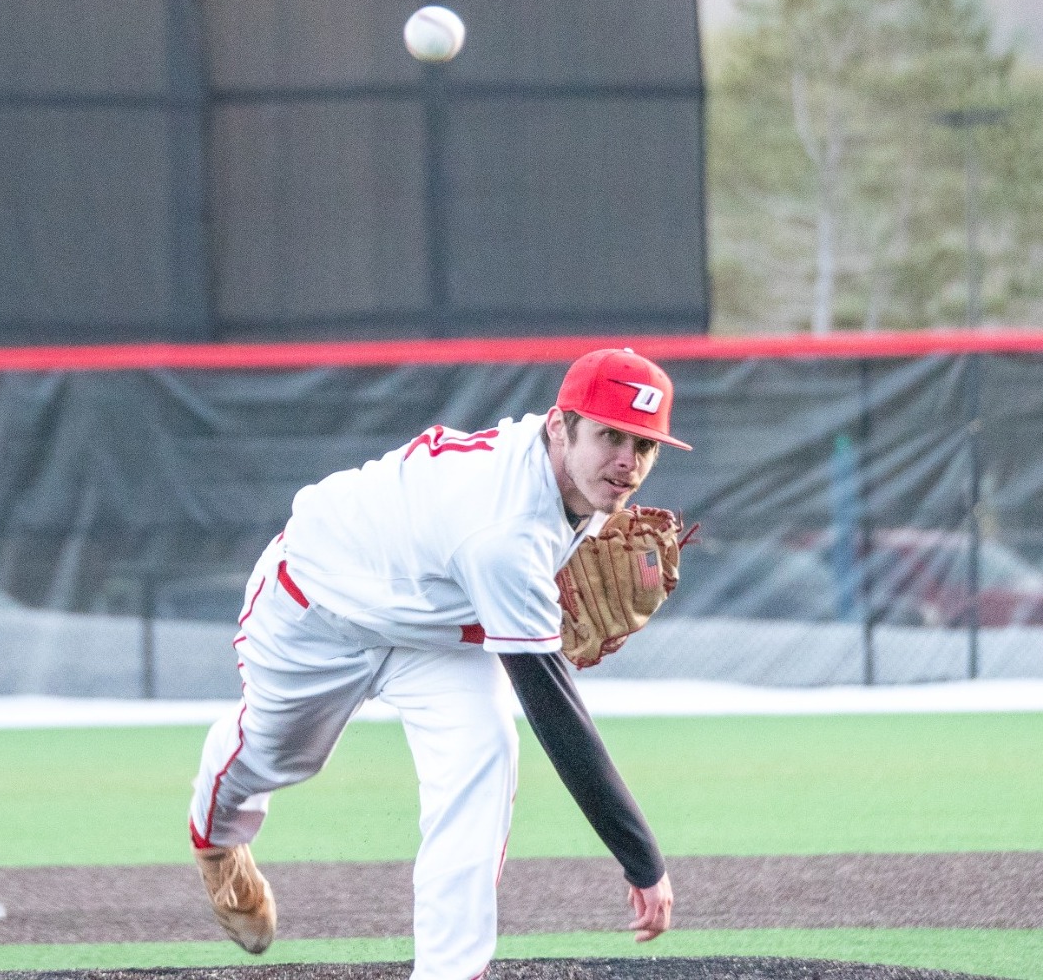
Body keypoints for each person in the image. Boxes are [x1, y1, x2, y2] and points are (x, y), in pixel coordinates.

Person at [187, 347, 690, 980]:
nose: (626, 460)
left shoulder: (575, 484)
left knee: (484, 755)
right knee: (278, 755)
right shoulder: (504, 531)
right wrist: (642, 860)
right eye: (609, 435)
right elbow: (558, 719)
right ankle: (217, 839)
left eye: (644, 445)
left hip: (435, 634)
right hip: (316, 609)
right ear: (559, 427)